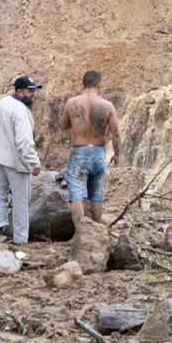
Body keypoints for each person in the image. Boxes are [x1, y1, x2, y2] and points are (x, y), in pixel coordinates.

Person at [0, 74, 43, 244]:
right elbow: (24, 141)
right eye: (30, 91)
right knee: (20, 201)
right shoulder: (20, 110)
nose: (33, 94)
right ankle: (20, 239)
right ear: (19, 91)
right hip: (15, 162)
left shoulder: (0, 104)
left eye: (34, 91)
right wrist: (34, 162)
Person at [59, 69, 117, 226]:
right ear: (98, 85)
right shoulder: (108, 106)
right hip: (99, 153)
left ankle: (81, 233)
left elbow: (63, 125)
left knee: (76, 195)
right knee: (97, 195)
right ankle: (98, 230)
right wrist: (117, 155)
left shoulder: (72, 103)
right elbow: (116, 134)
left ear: (82, 85)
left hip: (79, 152)